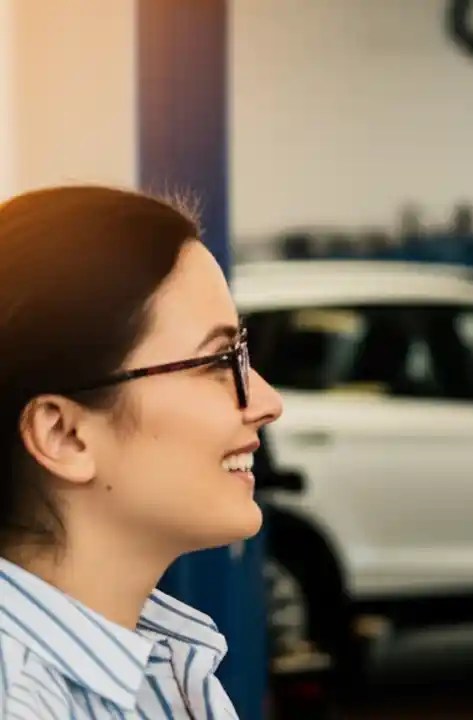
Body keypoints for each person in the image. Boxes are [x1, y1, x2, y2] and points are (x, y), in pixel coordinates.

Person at [0, 186, 284, 718]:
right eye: (218, 362)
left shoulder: (170, 669)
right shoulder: (21, 699)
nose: (268, 402)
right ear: (64, 435)